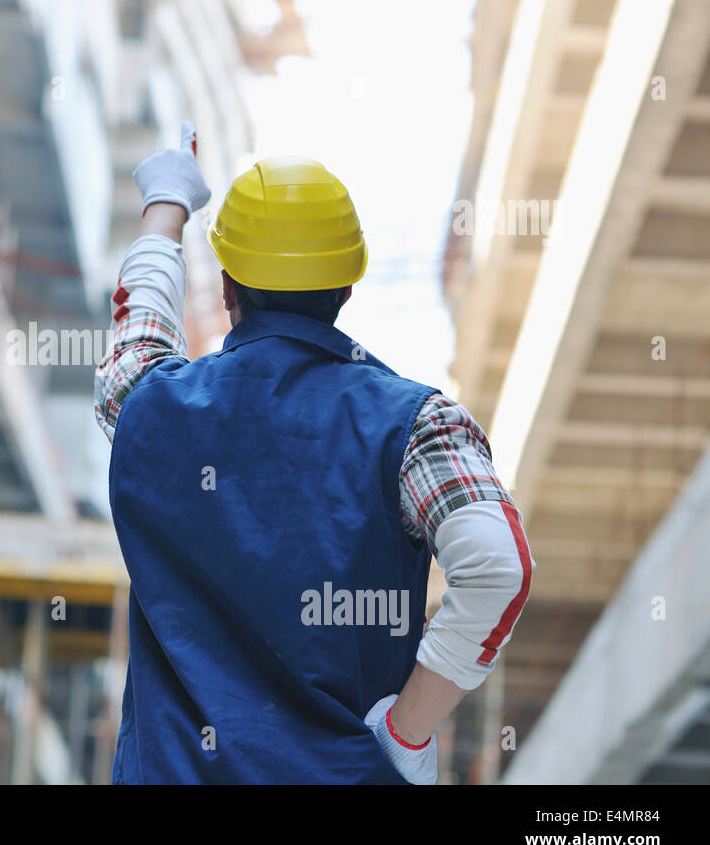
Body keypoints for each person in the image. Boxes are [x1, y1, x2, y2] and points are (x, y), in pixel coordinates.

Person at [93, 122, 534, 783]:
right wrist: (405, 734)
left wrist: (168, 200)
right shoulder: (420, 426)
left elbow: (138, 329)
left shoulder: (151, 409)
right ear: (347, 290)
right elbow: (500, 568)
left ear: (228, 288)